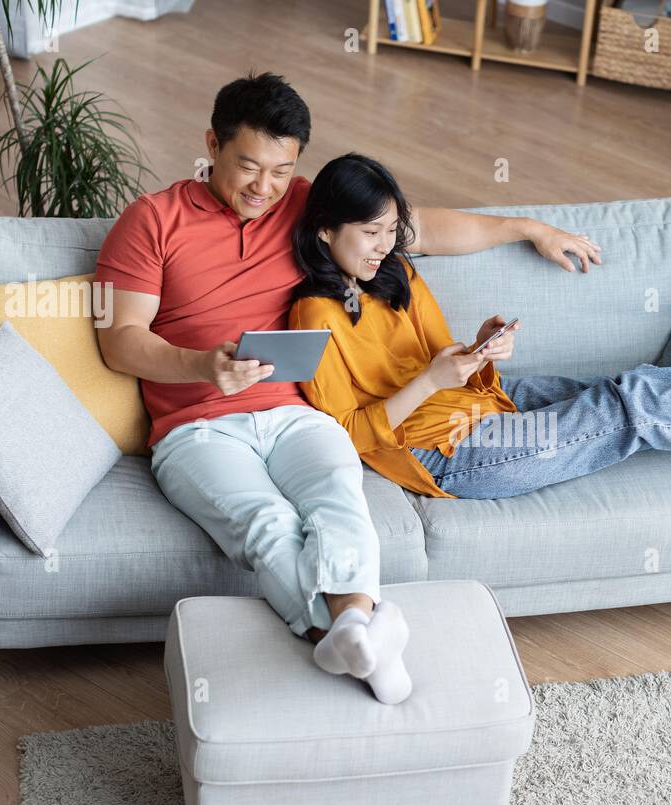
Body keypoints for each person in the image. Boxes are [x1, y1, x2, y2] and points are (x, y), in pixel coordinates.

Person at [93, 75, 601, 704]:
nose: (264, 187)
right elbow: (120, 341)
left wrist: (525, 227)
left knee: (338, 498)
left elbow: (416, 230)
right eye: (248, 166)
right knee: (266, 524)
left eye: (281, 170)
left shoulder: (308, 210)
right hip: (196, 428)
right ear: (212, 146)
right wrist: (203, 367)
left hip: (293, 413)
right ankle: (355, 632)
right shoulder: (151, 221)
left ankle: (351, 633)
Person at [289, 153, 671, 502]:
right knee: (625, 409)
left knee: (633, 385)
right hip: (447, 453)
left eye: (392, 231)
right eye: (370, 234)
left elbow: (435, 345)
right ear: (324, 230)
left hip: (481, 399)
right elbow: (345, 437)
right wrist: (430, 381)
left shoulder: (392, 268)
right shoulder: (311, 318)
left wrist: (481, 348)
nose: (384, 245)